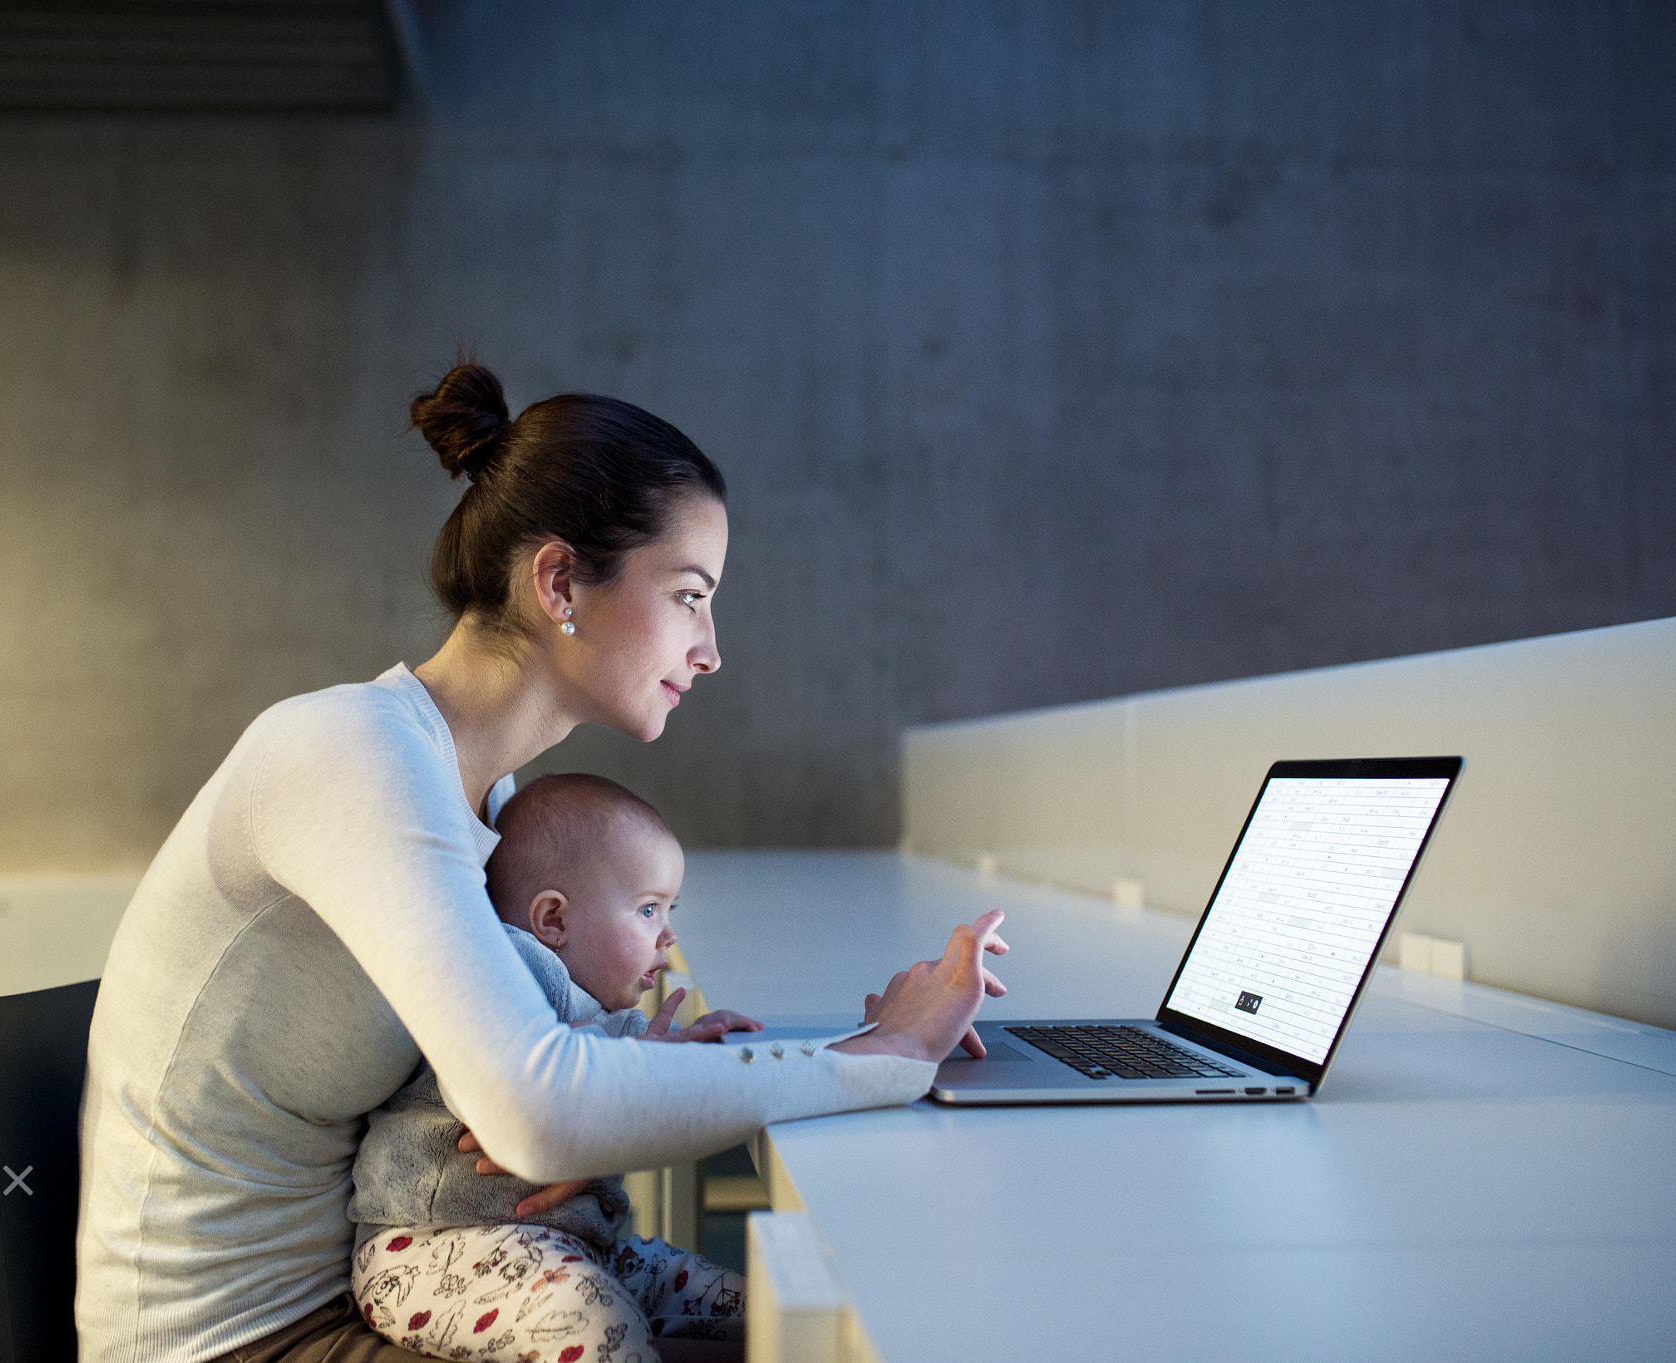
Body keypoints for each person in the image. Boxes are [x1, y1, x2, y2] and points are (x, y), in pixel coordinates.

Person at [75, 360, 1010, 1363]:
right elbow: (538, 1115)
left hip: (404, 1276)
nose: (710, 649)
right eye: (689, 596)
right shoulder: (352, 755)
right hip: (242, 1343)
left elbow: (529, 1103)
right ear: (559, 581)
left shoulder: (489, 800)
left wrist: (600, 1093)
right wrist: (882, 1060)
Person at [348, 773, 762, 1363]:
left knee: (743, 1308)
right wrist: (643, 1064)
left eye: (669, 909)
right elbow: (505, 1088)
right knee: (597, 1325)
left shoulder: (612, 1015)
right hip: (434, 1250)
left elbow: (627, 1087)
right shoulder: (509, 969)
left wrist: (684, 1057)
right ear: (553, 922)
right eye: (648, 909)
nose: (668, 935)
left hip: (573, 1246)